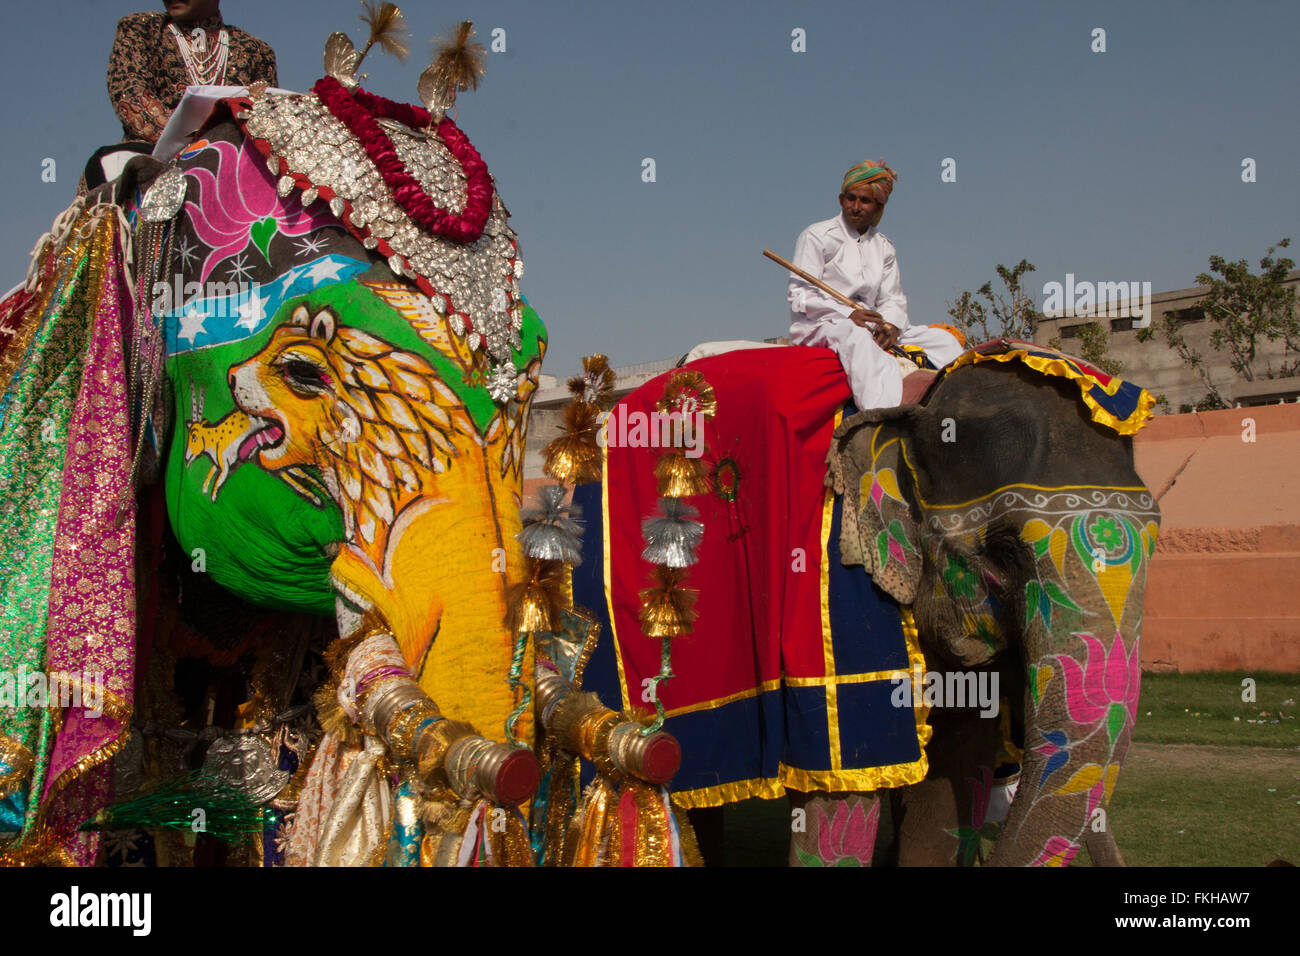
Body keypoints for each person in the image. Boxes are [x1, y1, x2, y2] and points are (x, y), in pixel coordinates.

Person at [787, 159, 963, 410]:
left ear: (879, 206)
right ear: (841, 199)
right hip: (825, 324)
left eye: (865, 201)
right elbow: (799, 296)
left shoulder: (884, 247)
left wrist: (890, 323)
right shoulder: (817, 236)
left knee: (942, 340)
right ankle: (879, 412)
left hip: (873, 322)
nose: (856, 207)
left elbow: (893, 298)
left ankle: (960, 402)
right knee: (856, 338)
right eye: (851, 198)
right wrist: (849, 314)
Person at [107, 0, 278, 145]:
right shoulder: (143, 30)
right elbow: (130, 94)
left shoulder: (256, 51)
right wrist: (193, 143)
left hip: (232, 155)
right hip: (154, 152)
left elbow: (267, 118)